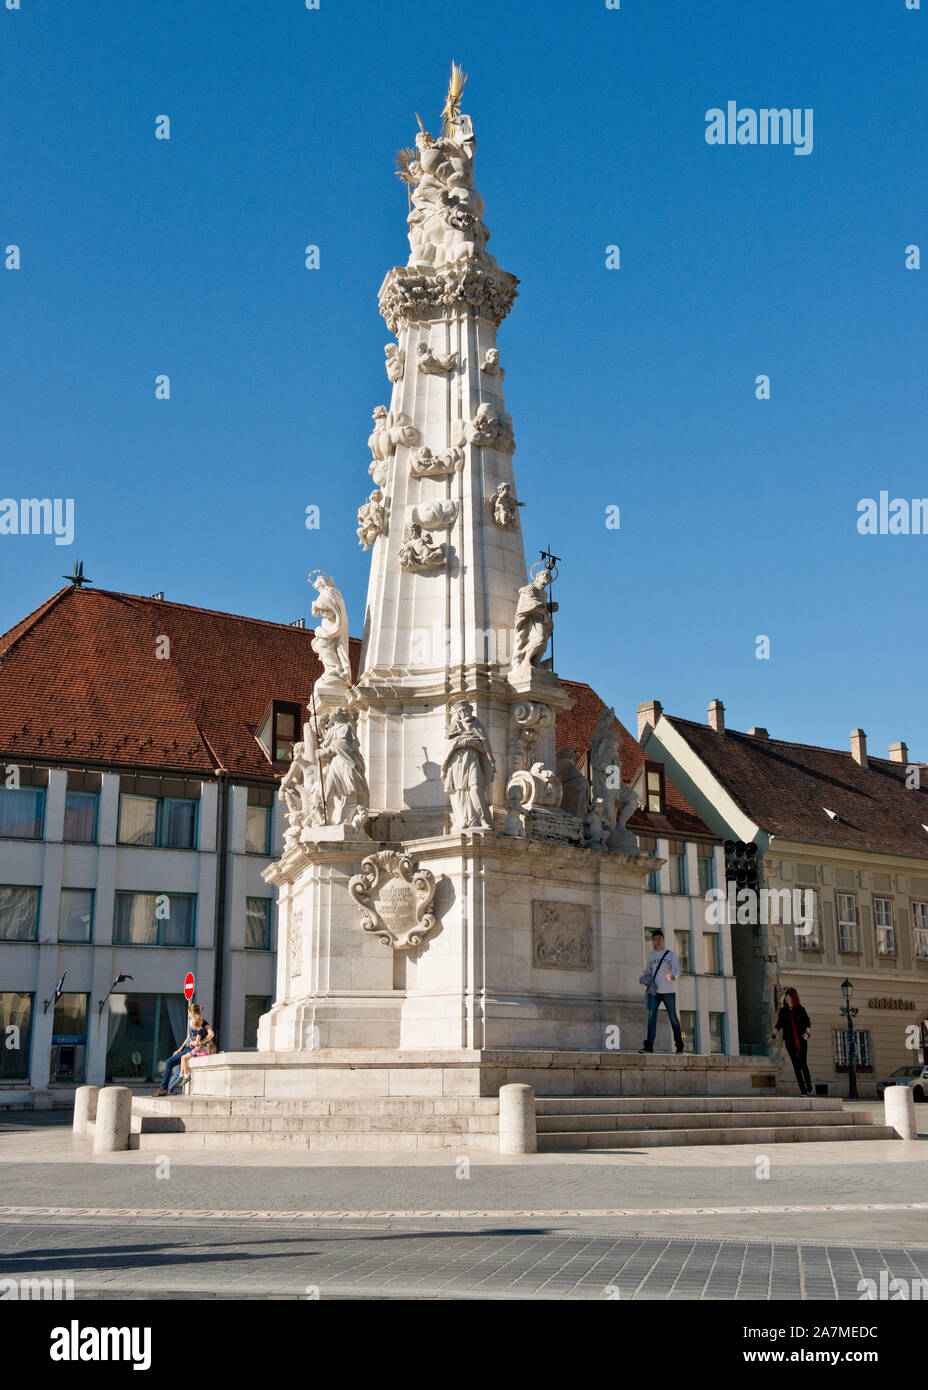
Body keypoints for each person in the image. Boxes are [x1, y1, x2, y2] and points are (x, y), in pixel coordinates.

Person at [639, 930, 684, 1054]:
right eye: (655, 939)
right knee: (651, 1017)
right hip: (655, 992)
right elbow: (647, 971)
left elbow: (678, 969)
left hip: (669, 991)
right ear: (653, 940)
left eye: (659, 938)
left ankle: (679, 1044)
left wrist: (673, 976)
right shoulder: (651, 956)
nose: (657, 941)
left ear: (663, 939)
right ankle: (649, 1045)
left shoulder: (670, 955)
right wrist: (647, 981)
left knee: (673, 1017)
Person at [154, 1004, 213, 1096]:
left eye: (188, 1013)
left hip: (191, 1050)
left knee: (169, 1062)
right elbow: (188, 1037)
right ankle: (168, 1088)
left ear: (192, 1012)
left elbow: (211, 1034)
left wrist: (201, 1042)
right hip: (185, 1049)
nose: (188, 1015)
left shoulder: (202, 1022)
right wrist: (179, 1049)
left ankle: (163, 1089)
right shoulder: (192, 1022)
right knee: (172, 1065)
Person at [769, 988, 813, 1095]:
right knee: (796, 1066)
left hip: (801, 1040)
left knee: (802, 1063)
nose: (787, 998)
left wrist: (806, 1034)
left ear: (794, 997)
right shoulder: (783, 1011)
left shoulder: (800, 1009)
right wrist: (772, 1037)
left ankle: (808, 1084)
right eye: (786, 996)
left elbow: (808, 1023)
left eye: (789, 996)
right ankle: (803, 1089)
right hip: (790, 1041)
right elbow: (778, 1025)